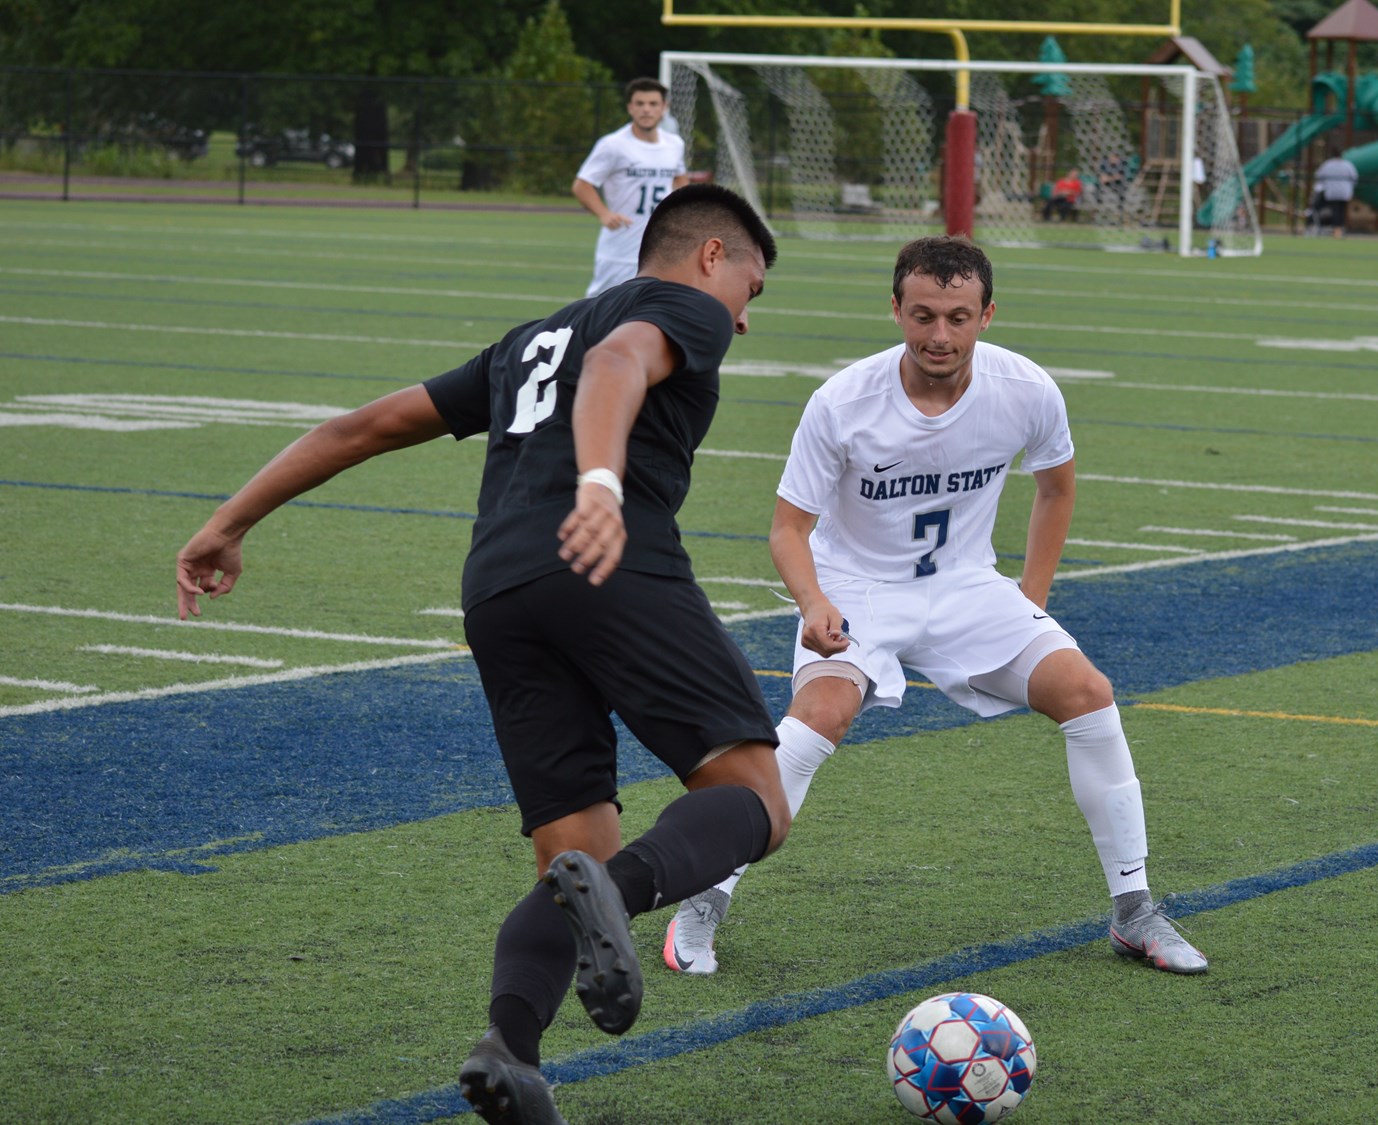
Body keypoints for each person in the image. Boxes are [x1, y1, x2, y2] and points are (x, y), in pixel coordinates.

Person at [175, 184, 788, 1125]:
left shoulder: (526, 342)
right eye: (751, 288)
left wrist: (228, 522)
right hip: (606, 555)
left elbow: (362, 426)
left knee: (574, 854)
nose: (742, 318)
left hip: (497, 588)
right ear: (712, 256)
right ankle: (616, 897)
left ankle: (512, 1047)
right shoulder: (685, 307)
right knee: (755, 798)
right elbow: (619, 360)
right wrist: (598, 483)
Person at [662, 235, 1208, 981]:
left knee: (1089, 694)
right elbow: (789, 528)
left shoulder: (1027, 388)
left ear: (987, 315)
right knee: (818, 718)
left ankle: (1135, 912)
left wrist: (1032, 601)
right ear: (896, 309)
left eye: (958, 317)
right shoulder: (843, 401)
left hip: (966, 587)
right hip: (856, 587)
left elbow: (1055, 489)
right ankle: (703, 900)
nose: (939, 335)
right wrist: (813, 602)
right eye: (923, 315)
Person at [573, 77, 690, 298]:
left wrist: (679, 211)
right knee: (603, 308)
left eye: (653, 104)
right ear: (630, 107)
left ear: (664, 107)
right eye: (640, 103)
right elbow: (582, 185)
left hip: (660, 249)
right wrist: (604, 213)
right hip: (621, 248)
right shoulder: (613, 145)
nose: (646, 109)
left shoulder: (675, 144)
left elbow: (680, 178)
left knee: (654, 309)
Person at [1310, 146, 1358, 237]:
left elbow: (1319, 176)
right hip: (1344, 192)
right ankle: (1339, 230)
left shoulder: (1327, 164)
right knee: (1341, 211)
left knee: (1335, 210)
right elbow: (1354, 178)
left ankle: (1337, 230)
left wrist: (1323, 186)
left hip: (1332, 192)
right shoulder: (1347, 165)